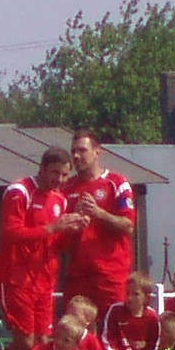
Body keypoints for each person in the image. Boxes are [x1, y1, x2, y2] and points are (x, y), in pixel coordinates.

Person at [0, 147, 89, 350]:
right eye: (55, 173)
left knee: (44, 343)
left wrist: (72, 230)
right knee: (25, 343)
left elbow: (55, 245)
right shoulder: (20, 192)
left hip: (44, 279)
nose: (60, 180)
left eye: (65, 175)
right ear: (42, 168)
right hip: (16, 277)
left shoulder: (60, 199)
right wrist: (54, 227)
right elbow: (11, 233)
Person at [63, 131, 136, 315]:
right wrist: (73, 220)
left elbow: (128, 225)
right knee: (75, 331)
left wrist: (99, 213)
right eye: (73, 151)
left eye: (82, 150)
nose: (76, 156)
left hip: (110, 275)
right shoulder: (66, 188)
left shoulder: (117, 183)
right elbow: (57, 234)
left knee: (111, 329)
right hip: (78, 276)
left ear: (97, 152)